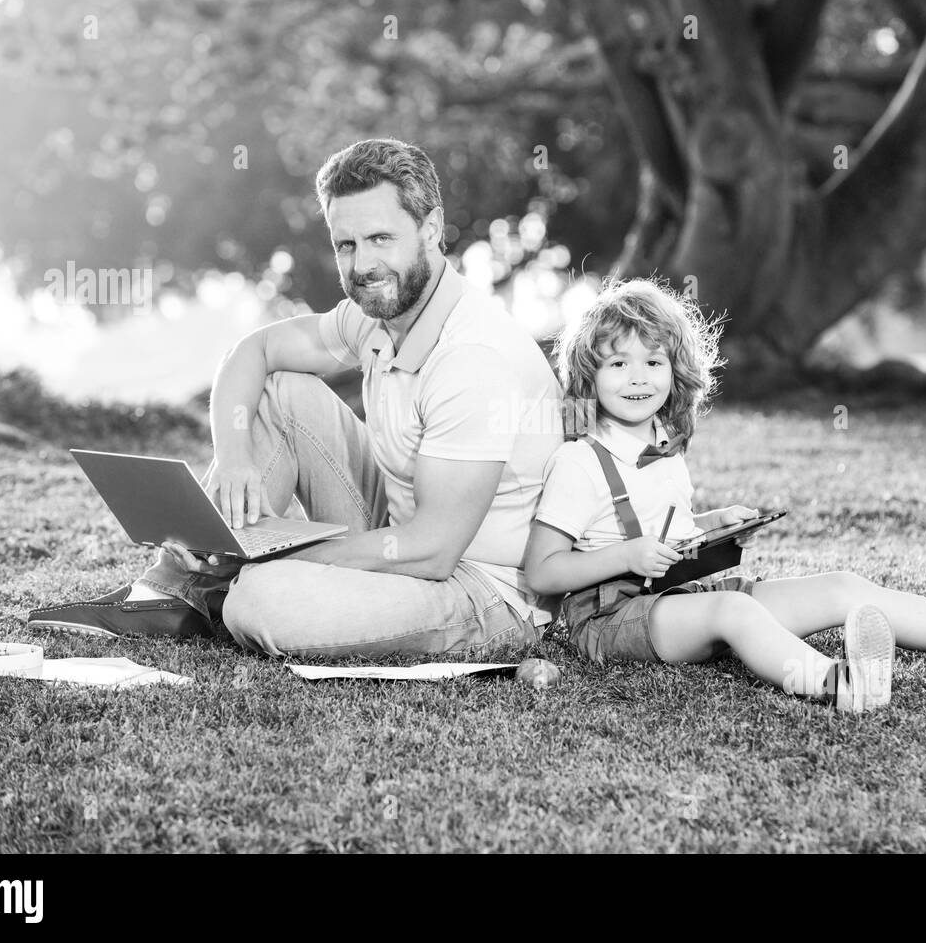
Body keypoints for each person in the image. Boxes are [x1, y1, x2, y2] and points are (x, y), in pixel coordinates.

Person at [29, 138, 565, 658]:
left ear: (431, 231)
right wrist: (235, 459)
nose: (362, 267)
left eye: (381, 239)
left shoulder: (471, 356)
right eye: (346, 245)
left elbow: (433, 548)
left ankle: (226, 582)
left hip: (480, 588)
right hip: (397, 532)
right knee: (282, 392)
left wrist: (284, 553)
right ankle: (171, 594)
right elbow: (254, 352)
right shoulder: (378, 318)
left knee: (264, 599)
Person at [522, 277, 926, 711]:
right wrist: (627, 556)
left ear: (676, 372)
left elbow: (662, 527)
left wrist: (715, 522)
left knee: (841, 588)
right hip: (611, 618)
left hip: (677, 595)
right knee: (734, 609)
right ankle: (839, 685)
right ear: (588, 376)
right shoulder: (580, 461)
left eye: (653, 362)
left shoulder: (664, 444)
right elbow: (544, 572)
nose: (638, 377)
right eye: (618, 364)